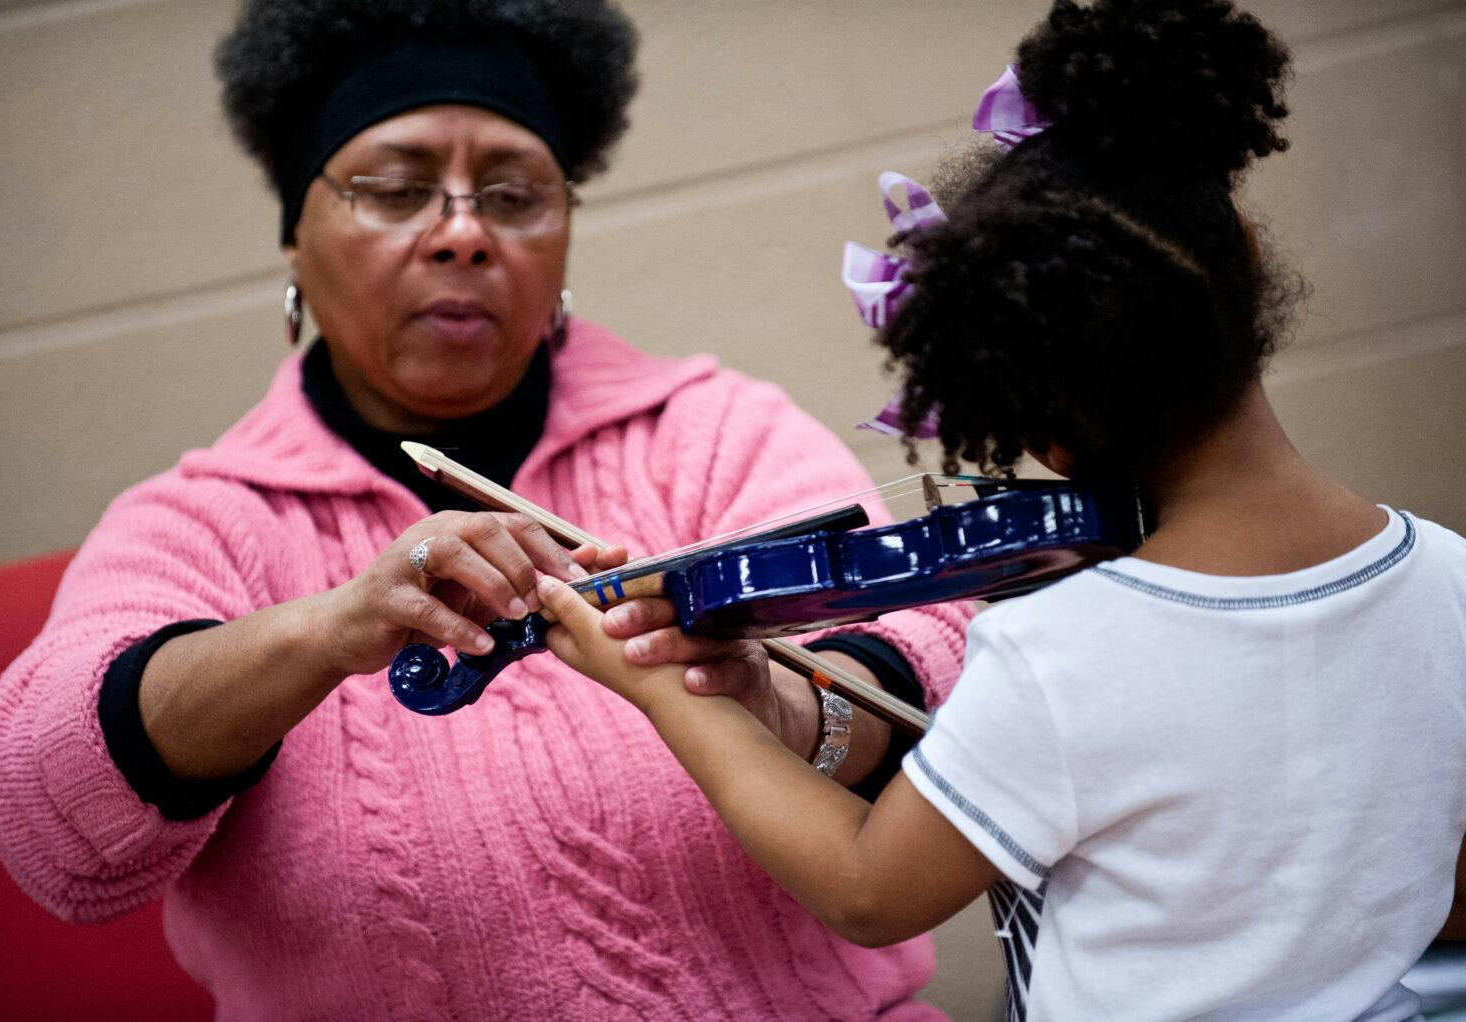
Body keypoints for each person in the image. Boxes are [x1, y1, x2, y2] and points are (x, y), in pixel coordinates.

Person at [0, 1, 973, 1018]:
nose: (462, 232)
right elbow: (47, 819)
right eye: (397, 190)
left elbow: (940, 653)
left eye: (515, 194)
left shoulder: (712, 428)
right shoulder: (200, 520)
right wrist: (324, 631)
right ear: (293, 237)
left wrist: (789, 712)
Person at [537, 1, 1466, 1018]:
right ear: (1242, 258)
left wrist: (671, 693)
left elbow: (867, 886)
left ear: (1039, 421)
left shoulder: (1063, 650)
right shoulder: (1451, 579)